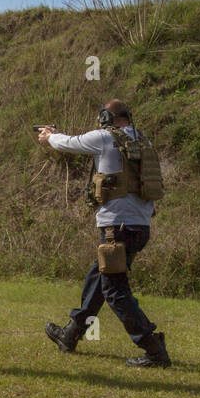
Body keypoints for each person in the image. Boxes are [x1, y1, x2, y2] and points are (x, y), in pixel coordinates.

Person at [39, 100, 170, 367]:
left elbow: (69, 143)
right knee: (99, 277)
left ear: (105, 117)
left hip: (116, 228)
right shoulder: (143, 140)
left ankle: (153, 347)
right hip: (138, 226)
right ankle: (71, 333)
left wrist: (50, 136)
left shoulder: (103, 137)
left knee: (114, 289)